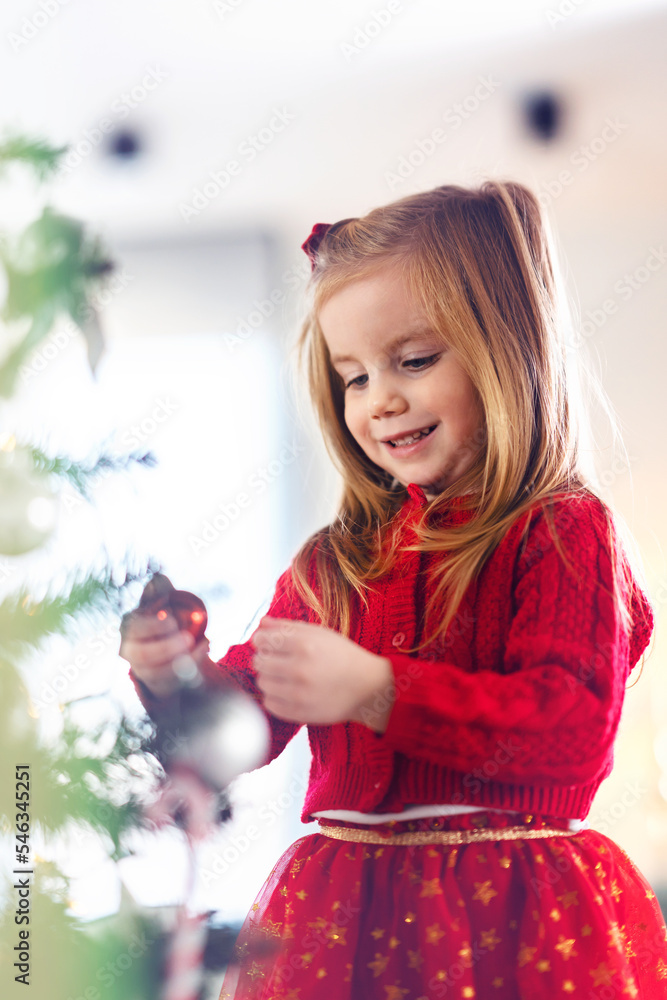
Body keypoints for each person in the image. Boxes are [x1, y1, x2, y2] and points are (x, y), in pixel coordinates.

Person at [120, 181, 667, 999]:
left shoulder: (561, 532)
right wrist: (175, 676)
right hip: (341, 917)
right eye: (352, 377)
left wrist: (379, 692)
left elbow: (570, 731)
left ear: (506, 349)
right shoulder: (333, 564)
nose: (381, 400)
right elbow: (250, 719)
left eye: (413, 361)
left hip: (515, 916)